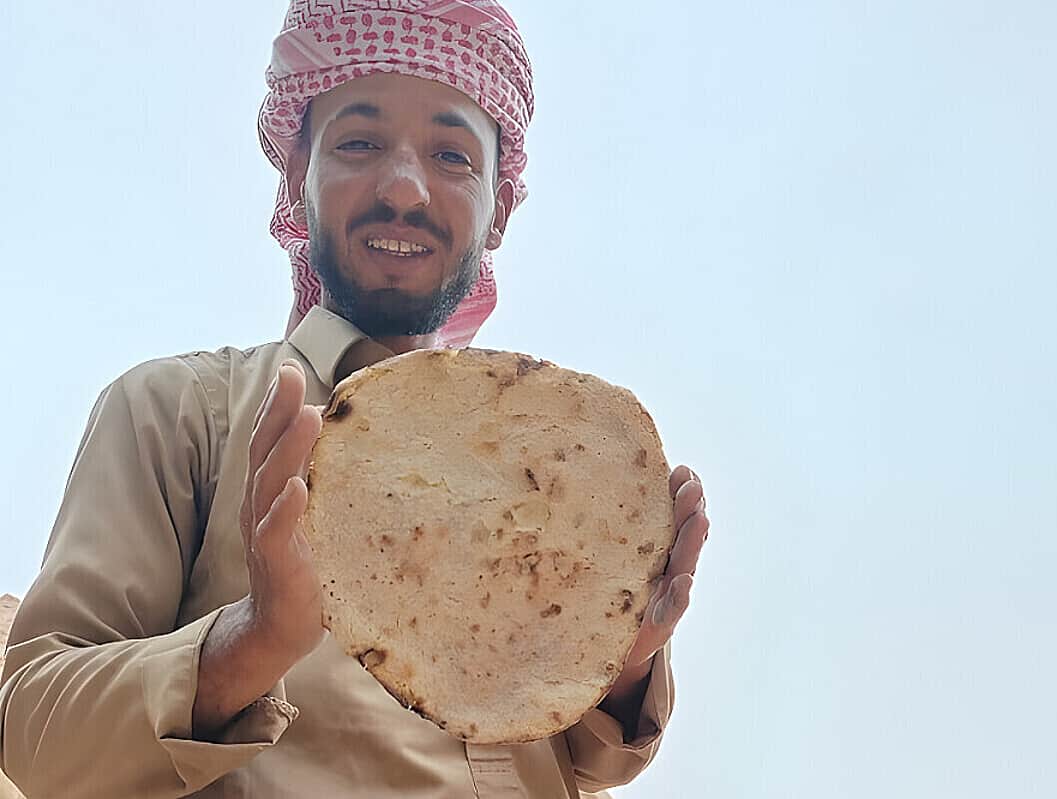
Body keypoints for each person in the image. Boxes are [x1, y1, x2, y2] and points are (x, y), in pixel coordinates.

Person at [0, 2, 711, 797]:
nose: (404, 188)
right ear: (297, 171)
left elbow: (591, 757)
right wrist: (253, 640)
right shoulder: (179, 412)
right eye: (360, 143)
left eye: (451, 155)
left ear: (500, 208)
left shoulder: (553, 468)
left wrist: (623, 665)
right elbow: (33, 732)